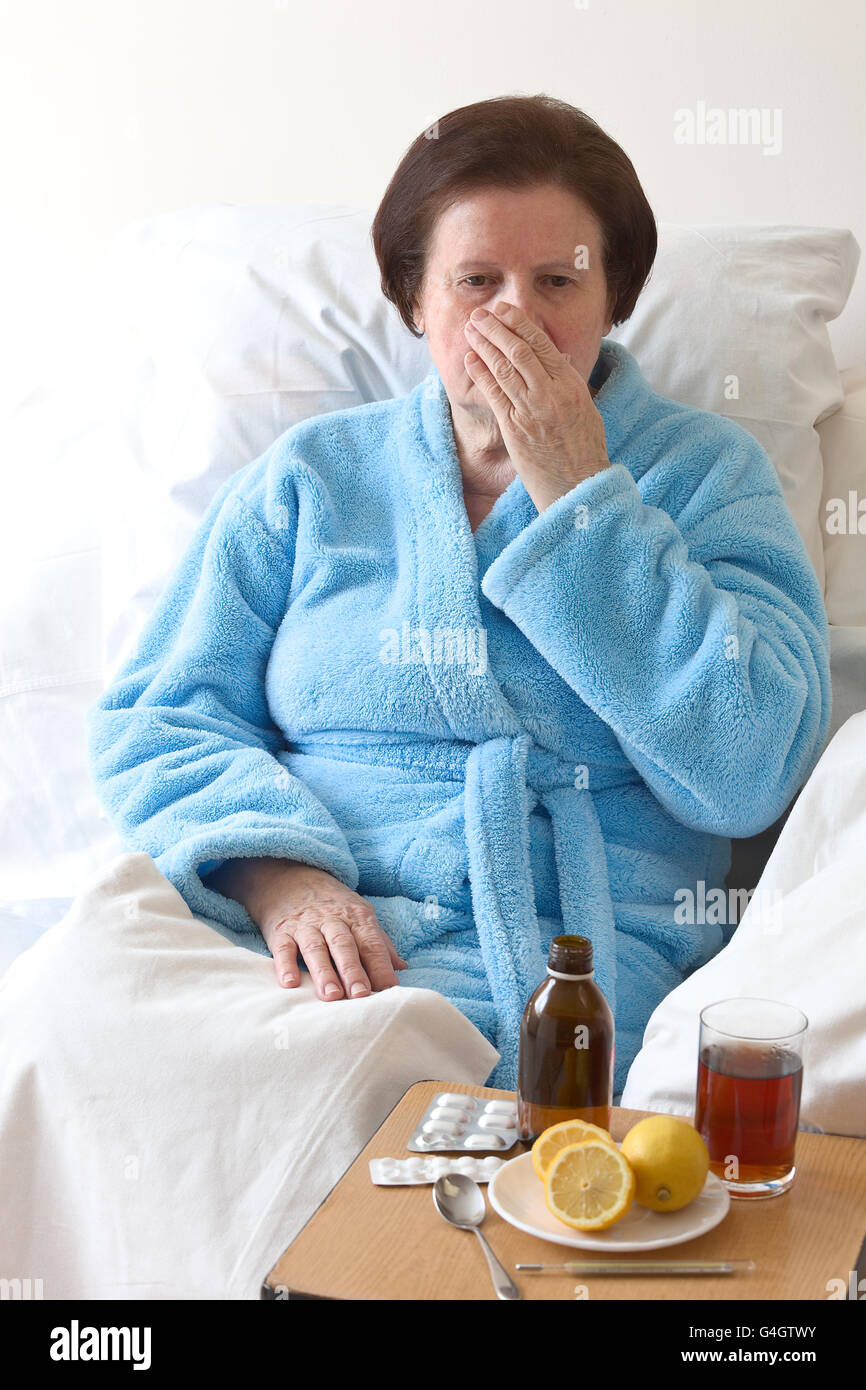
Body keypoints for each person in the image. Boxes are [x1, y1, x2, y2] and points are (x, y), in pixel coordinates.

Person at [86, 94, 831, 1097]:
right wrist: (278, 876)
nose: (515, 315)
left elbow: (749, 765)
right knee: (71, 1017)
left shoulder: (703, 474)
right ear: (415, 302)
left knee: (345, 1090)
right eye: (476, 281)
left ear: (614, 299)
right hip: (288, 930)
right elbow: (160, 715)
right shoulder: (311, 476)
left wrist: (580, 498)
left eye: (557, 280)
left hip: (545, 955)